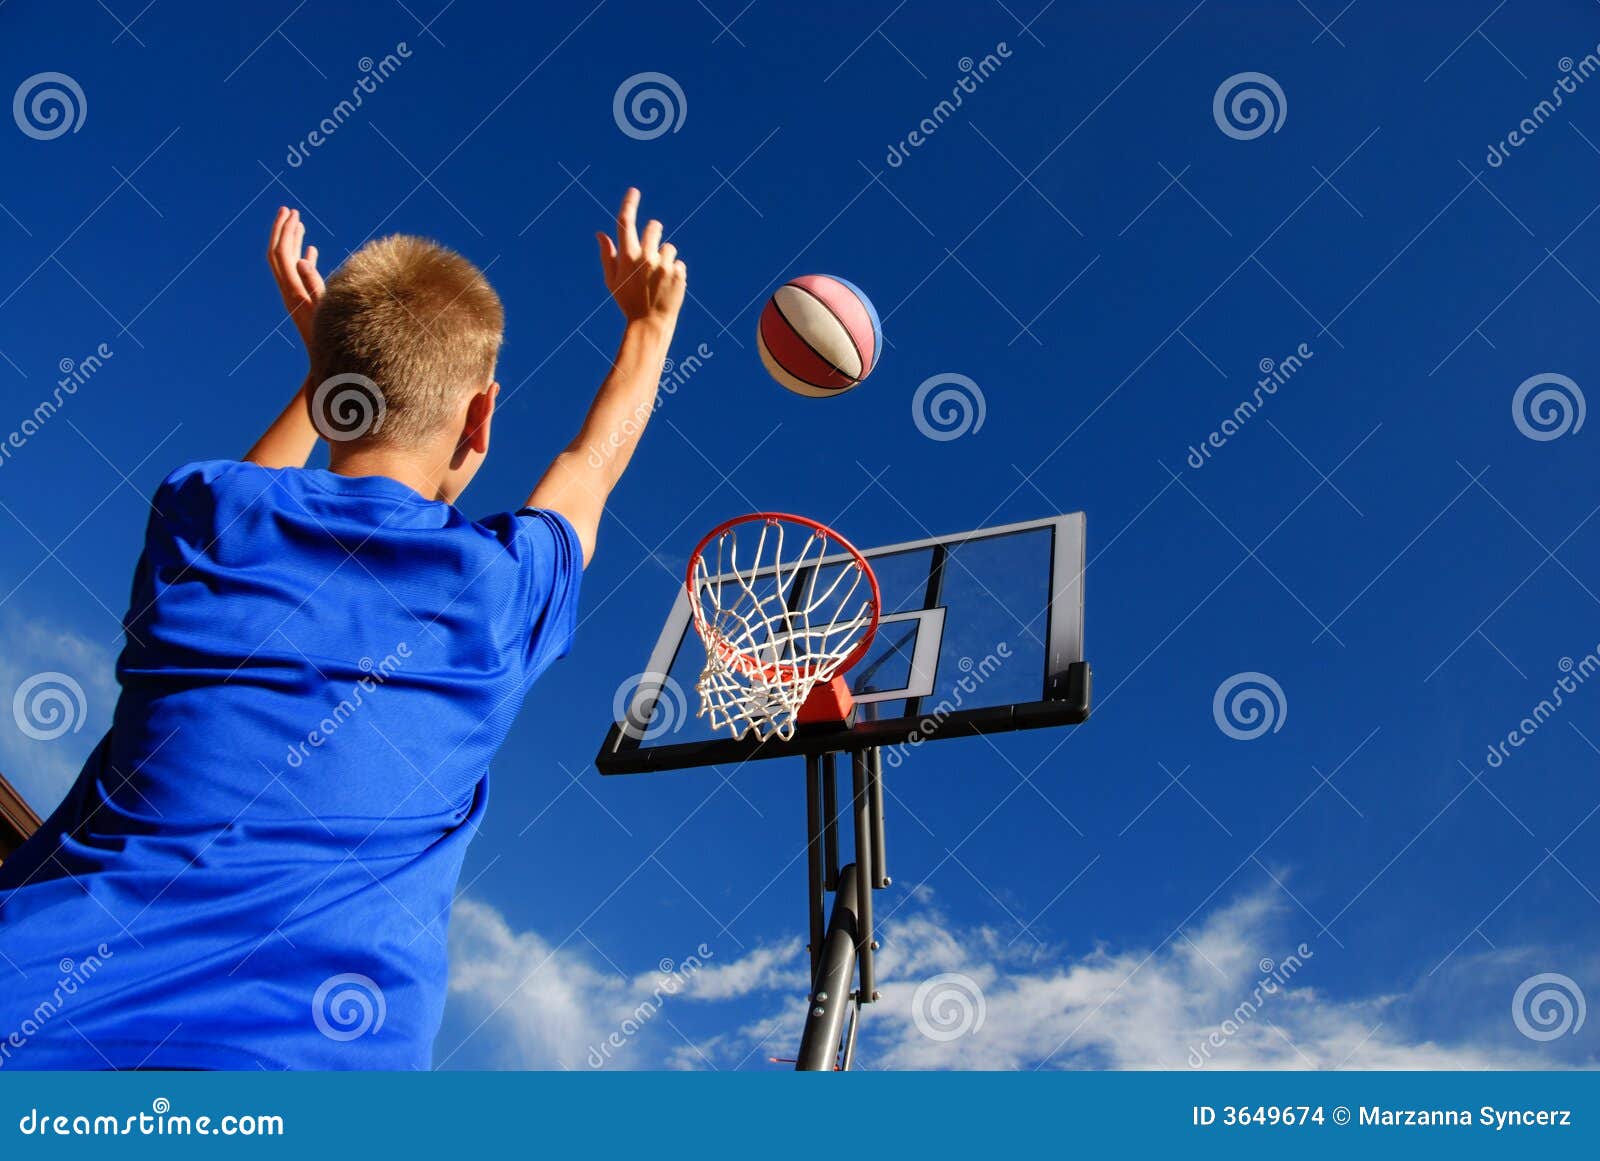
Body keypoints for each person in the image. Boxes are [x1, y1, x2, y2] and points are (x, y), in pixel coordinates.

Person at [0, 189, 685, 1069]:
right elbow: (590, 466)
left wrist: (330, 370)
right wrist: (651, 323)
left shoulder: (204, 515)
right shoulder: (501, 593)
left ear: (335, 396)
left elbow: (257, 489)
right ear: (481, 416)